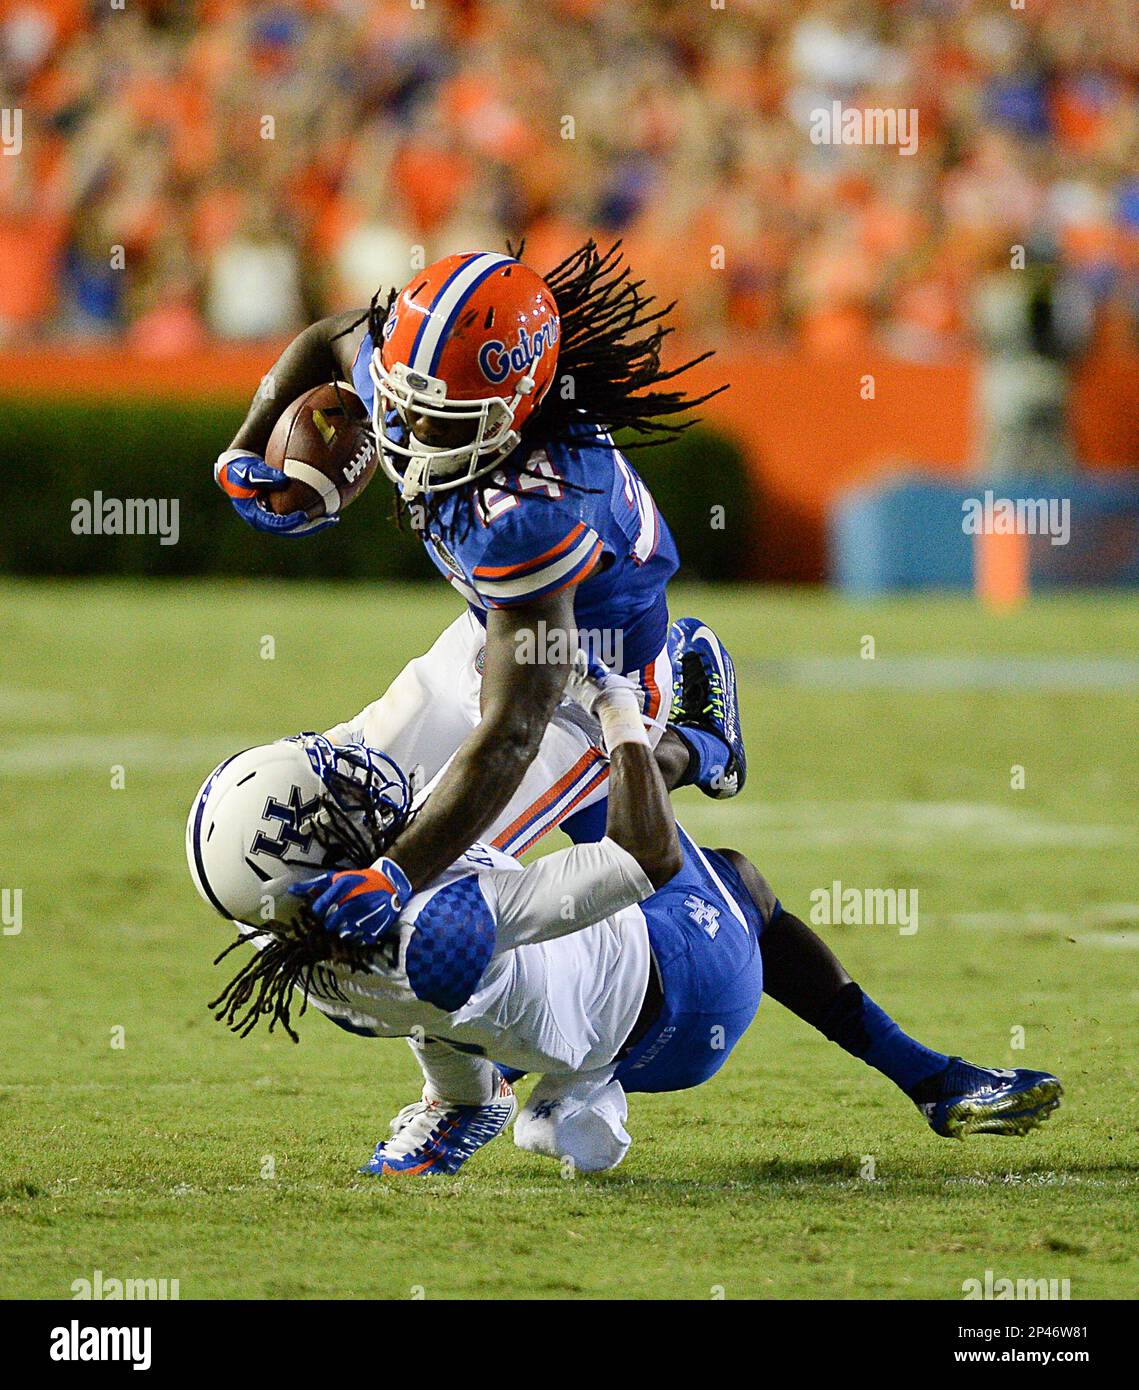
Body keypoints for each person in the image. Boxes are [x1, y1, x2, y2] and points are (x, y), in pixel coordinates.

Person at [188, 644, 1062, 1176]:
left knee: (478, 1004)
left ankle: (540, 1106)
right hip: (695, 986)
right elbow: (643, 858)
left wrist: (455, 1093)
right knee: (726, 870)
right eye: (333, 799)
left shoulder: (306, 962)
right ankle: (933, 1079)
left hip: (612, 1044)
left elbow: (435, 1024)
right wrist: (616, 712)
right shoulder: (444, 921)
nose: (352, 776)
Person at [213, 241, 739, 932]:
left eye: (441, 421)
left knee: (440, 892)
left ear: (513, 410)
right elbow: (333, 335)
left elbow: (514, 730)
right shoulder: (425, 380)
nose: (405, 434)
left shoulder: (532, 514)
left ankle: (697, 740)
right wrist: (245, 445)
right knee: (340, 793)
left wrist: (394, 876)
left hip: (589, 676)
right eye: (398, 405)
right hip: (493, 624)